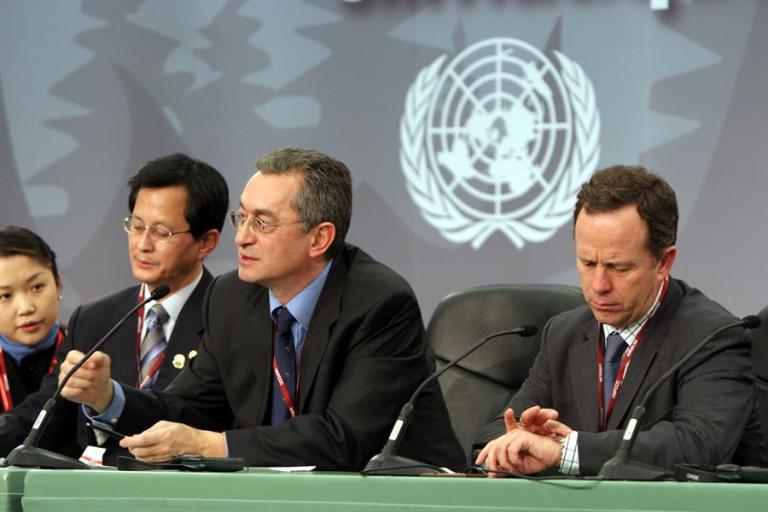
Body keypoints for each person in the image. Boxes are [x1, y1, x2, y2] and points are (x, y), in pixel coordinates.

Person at [60, 147, 465, 471]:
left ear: (319, 238)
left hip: (401, 496)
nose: (242, 239)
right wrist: (108, 398)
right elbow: (191, 409)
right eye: (242, 217)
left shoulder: (379, 303)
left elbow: (345, 439)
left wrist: (212, 444)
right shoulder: (231, 298)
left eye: (263, 223)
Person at [475, 165, 767, 476]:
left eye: (619, 267)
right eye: (588, 262)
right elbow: (489, 438)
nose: (599, 284)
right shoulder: (563, 333)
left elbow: (697, 446)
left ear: (663, 262)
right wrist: (518, 443)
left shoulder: (712, 336)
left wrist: (565, 450)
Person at [0, 153, 229, 461]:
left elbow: (207, 418)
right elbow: (49, 414)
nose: (142, 244)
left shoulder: (230, 317)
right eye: (136, 226)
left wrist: (109, 398)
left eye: (161, 232)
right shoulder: (94, 319)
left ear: (207, 242)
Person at [0, 226, 63, 412]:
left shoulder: (86, 351)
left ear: (58, 285)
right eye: (5, 296)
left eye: (37, 287)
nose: (26, 308)